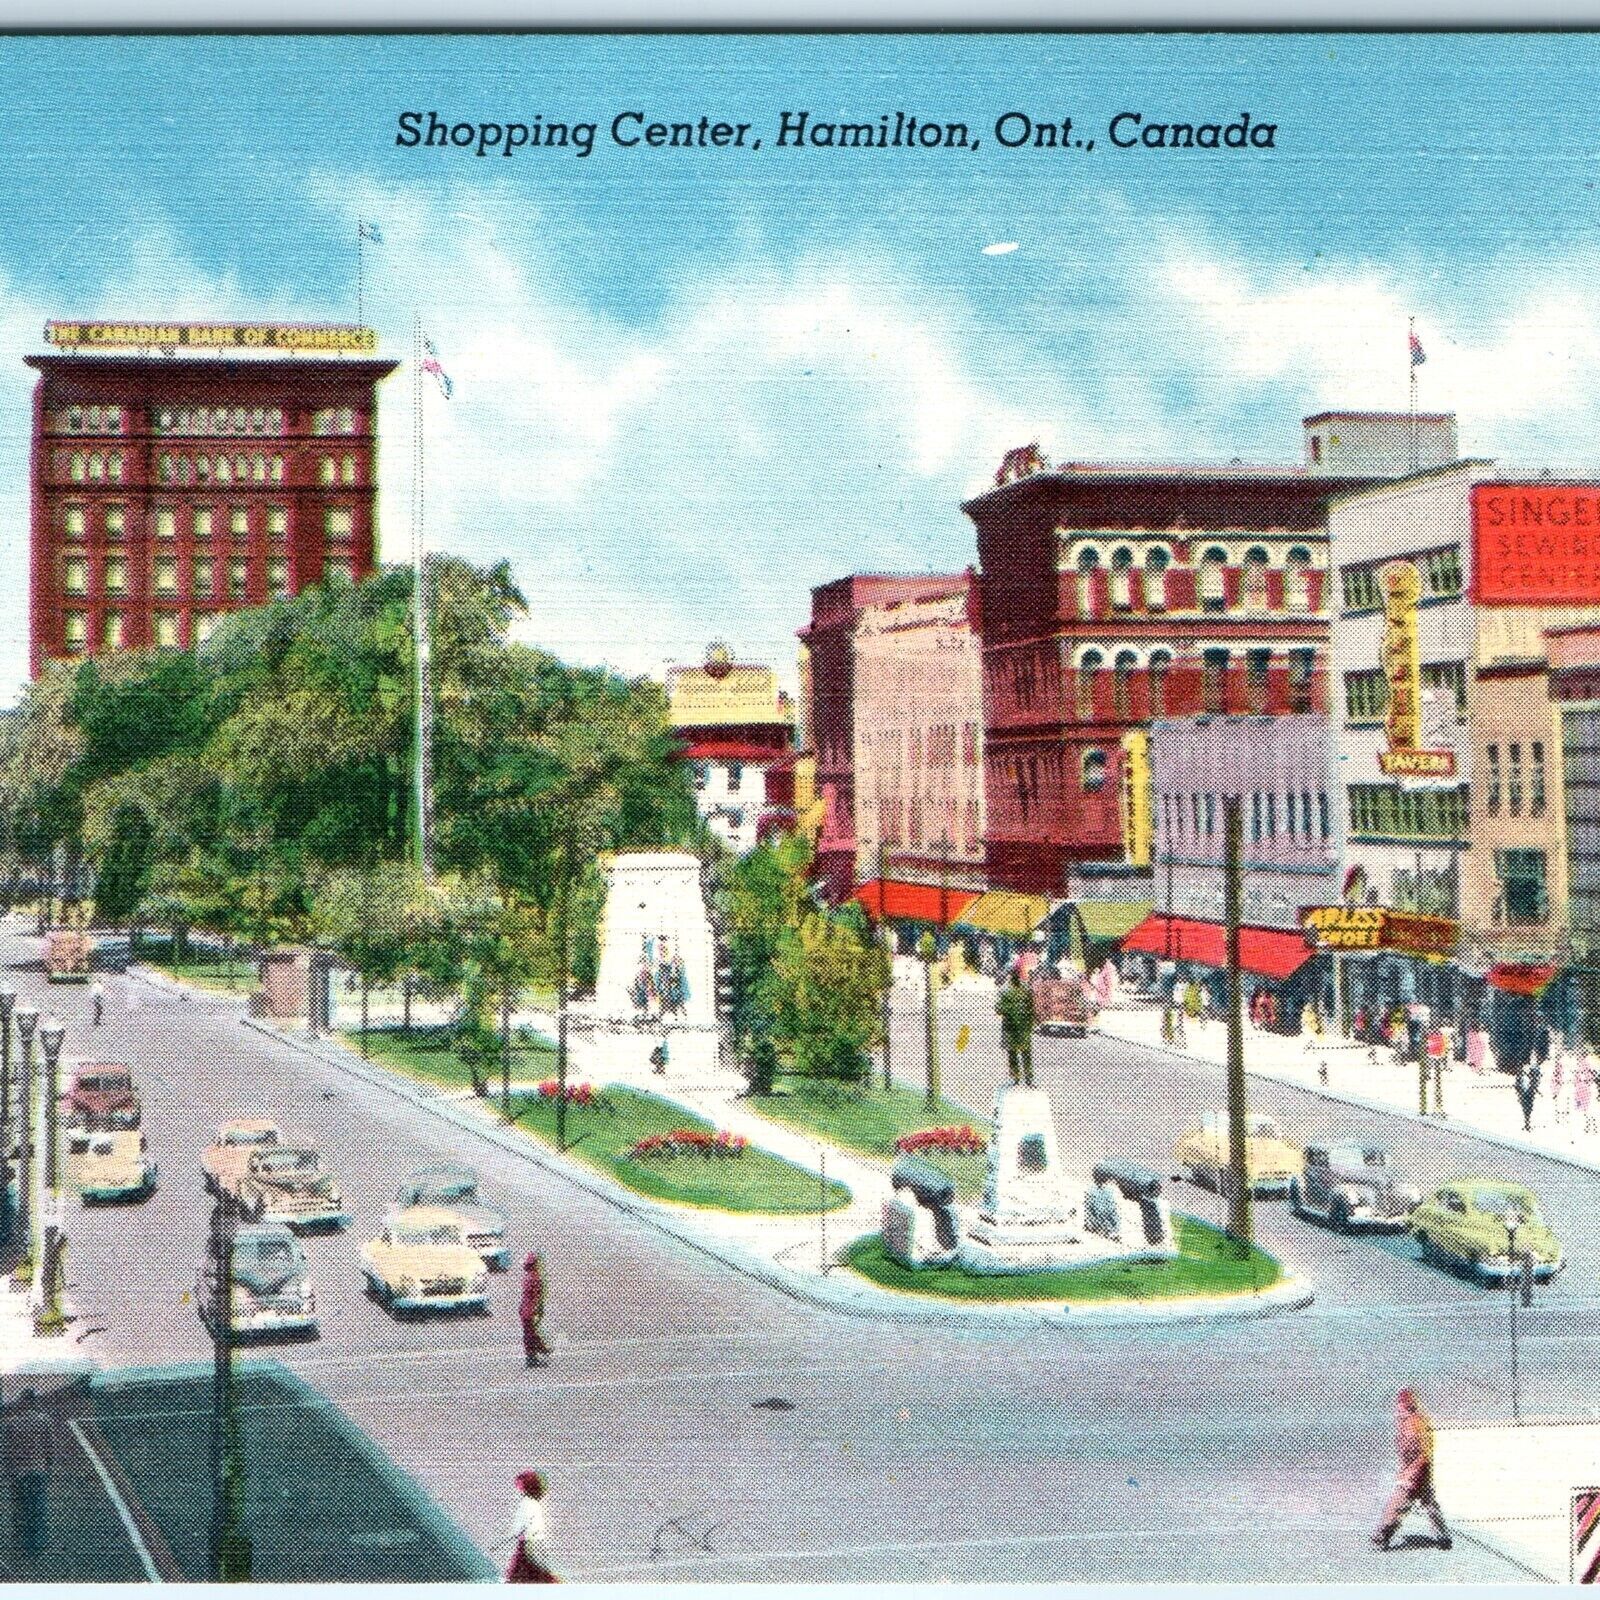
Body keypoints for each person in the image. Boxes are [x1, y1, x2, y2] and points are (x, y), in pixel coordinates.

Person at [1372, 1388, 1452, 1551]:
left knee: (1398, 1503)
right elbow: (1405, 1449)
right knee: (1428, 1503)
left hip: (1417, 1471)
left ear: (1407, 1405)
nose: (1397, 1408)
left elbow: (1425, 1452)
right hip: (1412, 1471)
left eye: (1400, 1405)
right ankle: (1443, 1536)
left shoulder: (1417, 1423)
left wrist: (1413, 1474)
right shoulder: (1406, 1422)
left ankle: (1382, 1534)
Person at [5, 1388, 54, 1559]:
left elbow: (9, 1451)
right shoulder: (44, 1420)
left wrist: (10, 1472)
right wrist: (47, 1466)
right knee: (38, 1509)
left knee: (22, 1509)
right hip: (38, 1470)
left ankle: (23, 1546)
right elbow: (50, 1448)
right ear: (34, 1402)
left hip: (19, 1472)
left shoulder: (13, 1423)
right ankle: (37, 1547)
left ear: (22, 1402)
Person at [506, 1469, 557, 1581]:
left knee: (526, 1570)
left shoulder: (528, 1503)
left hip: (529, 1543)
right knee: (529, 1570)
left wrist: (517, 1533)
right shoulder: (533, 1504)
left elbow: (521, 1526)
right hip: (531, 1542)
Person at [996, 970, 1036, 1087]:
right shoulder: (1026, 989)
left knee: (1012, 1053)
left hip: (1010, 1027)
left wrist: (1009, 1010)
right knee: (1026, 1053)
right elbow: (1032, 1007)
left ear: (1010, 977)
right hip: (1024, 1027)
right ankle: (1029, 1079)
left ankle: (1016, 1078)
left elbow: (998, 1008)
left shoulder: (1005, 990)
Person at [519, 1254, 552, 1368]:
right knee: (533, 1335)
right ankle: (535, 1357)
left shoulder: (527, 1277)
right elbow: (537, 1297)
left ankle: (532, 1358)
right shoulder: (536, 1278)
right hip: (531, 1311)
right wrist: (538, 1310)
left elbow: (525, 1296)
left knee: (528, 1335)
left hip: (525, 1310)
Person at [1516, 1062, 1541, 1132]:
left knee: (1529, 1110)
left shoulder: (1532, 1078)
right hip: (1523, 1095)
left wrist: (1537, 1092)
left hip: (1529, 1095)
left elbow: (1534, 1086)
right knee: (1525, 1110)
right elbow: (1517, 1086)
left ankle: (1527, 1124)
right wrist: (1519, 1094)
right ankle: (1527, 1124)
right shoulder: (1520, 1077)